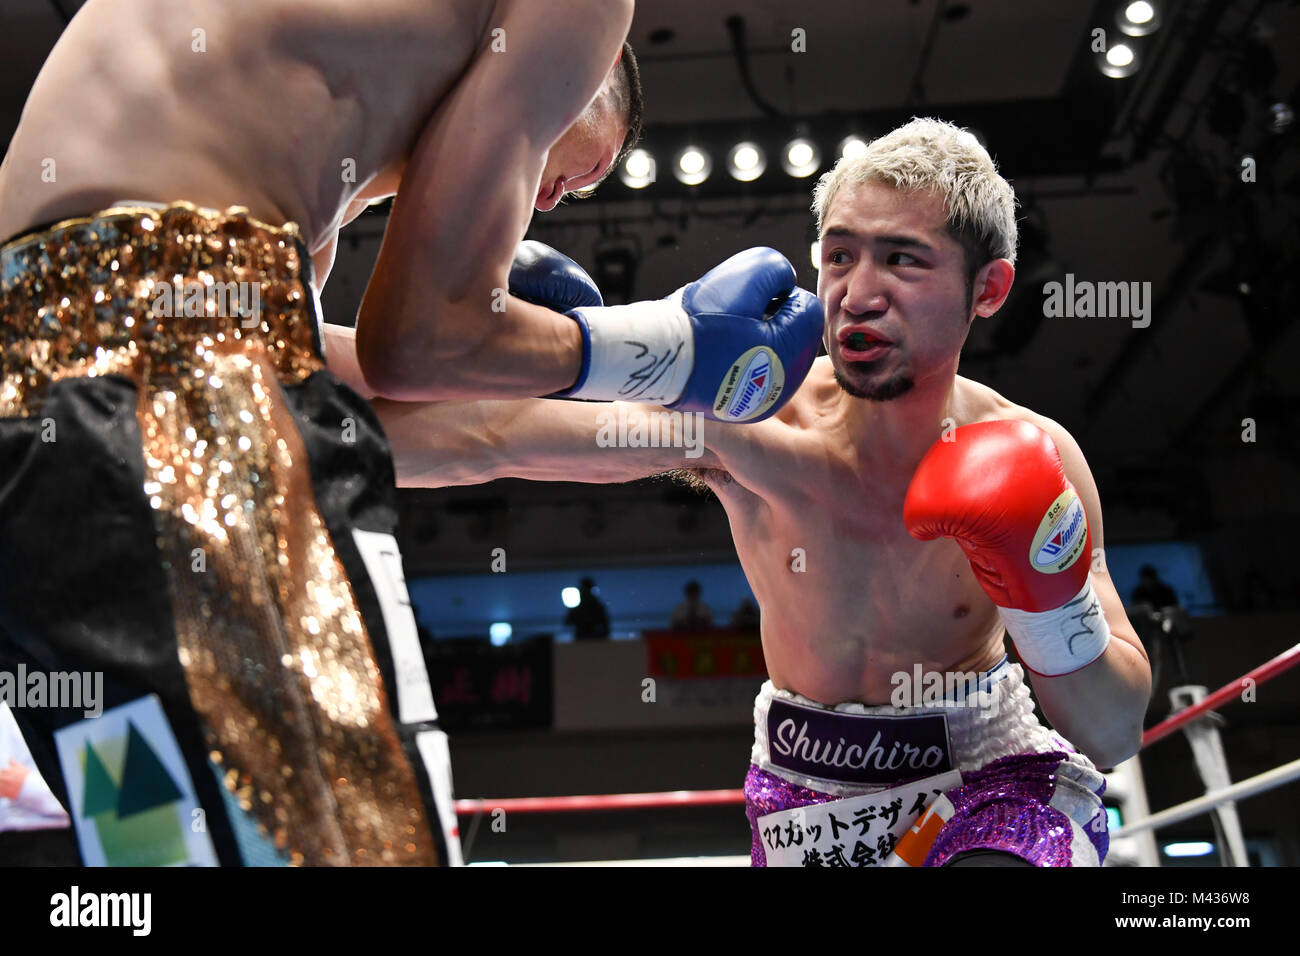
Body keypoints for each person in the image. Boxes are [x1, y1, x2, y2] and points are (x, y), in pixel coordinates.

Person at [0, 0, 822, 867]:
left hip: (34, 443)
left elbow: (449, 430)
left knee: (172, 863)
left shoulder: (245, 156)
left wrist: (683, 433)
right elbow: (420, 341)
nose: (549, 203)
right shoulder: (582, 11)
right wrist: (671, 347)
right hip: (181, 405)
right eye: (584, 173)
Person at [374, 118, 1153, 866]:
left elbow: (1112, 731)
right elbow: (489, 438)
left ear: (988, 288)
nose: (859, 292)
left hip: (987, 779)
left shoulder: (1039, 455)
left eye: (904, 260)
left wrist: (1050, 610)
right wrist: (288, 424)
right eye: (840, 255)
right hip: (805, 795)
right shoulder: (750, 412)